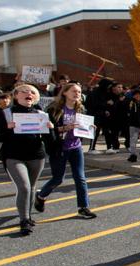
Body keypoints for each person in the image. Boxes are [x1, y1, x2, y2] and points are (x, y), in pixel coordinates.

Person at [35, 82, 97, 220]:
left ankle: (83, 207)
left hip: (75, 147)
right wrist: (64, 128)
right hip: (59, 148)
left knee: (80, 178)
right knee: (58, 179)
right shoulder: (54, 109)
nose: (77, 94)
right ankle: (40, 196)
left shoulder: (81, 109)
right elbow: (47, 130)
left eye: (79, 92)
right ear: (64, 92)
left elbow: (82, 126)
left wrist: (89, 127)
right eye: (74, 91)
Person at [0, 83, 48, 235]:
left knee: (32, 187)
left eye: (32, 92)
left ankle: (28, 216)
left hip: (36, 155)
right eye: (24, 91)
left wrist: (51, 128)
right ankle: (23, 220)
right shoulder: (6, 113)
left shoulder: (40, 112)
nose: (28, 93)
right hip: (13, 155)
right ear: (16, 96)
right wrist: (8, 128)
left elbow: (50, 138)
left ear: (35, 97)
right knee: (24, 187)